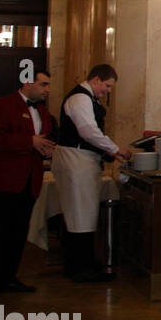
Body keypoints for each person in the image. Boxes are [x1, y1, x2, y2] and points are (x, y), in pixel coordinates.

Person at [0, 68, 55, 299]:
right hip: (4, 181)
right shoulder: (3, 106)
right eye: (43, 85)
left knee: (17, 233)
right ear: (27, 83)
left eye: (48, 85)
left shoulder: (43, 112)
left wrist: (45, 146)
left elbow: (44, 139)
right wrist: (29, 141)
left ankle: (8, 277)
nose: (47, 90)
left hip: (29, 182)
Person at [51, 64, 131, 283]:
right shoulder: (80, 98)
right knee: (79, 214)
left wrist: (108, 152)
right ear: (95, 79)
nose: (108, 91)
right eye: (107, 85)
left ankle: (84, 263)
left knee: (84, 213)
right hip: (75, 160)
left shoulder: (87, 98)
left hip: (82, 160)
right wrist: (114, 149)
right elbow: (88, 131)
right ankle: (78, 268)